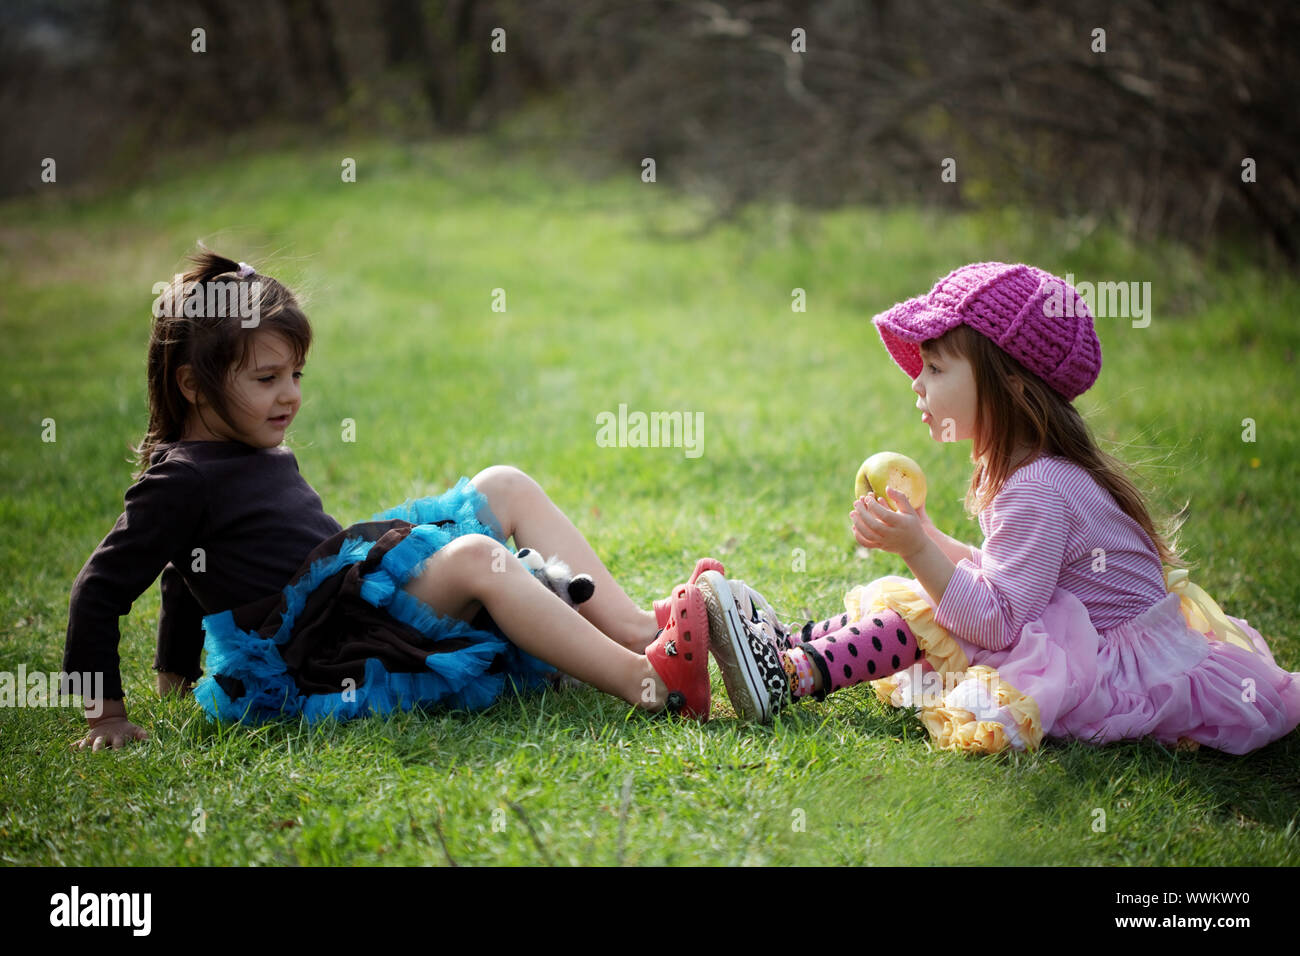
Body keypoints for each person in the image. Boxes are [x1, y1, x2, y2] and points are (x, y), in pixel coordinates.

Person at [63, 247, 721, 749]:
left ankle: (644, 630)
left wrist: (172, 678)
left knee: (504, 483)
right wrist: (108, 715)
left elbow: (188, 573)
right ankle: (650, 686)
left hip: (347, 598)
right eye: (267, 378)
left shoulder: (248, 450)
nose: (290, 394)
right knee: (473, 558)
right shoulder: (181, 478)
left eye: (295, 374)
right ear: (193, 386)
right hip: (317, 650)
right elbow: (100, 590)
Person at [701, 262, 1300, 754]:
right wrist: (930, 539)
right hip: (1080, 637)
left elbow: (992, 620)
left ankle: (790, 674)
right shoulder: (1031, 469)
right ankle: (785, 642)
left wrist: (916, 549)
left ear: (1011, 387)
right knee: (920, 596)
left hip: (1101, 666)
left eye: (936, 368)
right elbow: (1002, 576)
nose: (917, 382)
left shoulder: (1038, 486)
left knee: (924, 612)